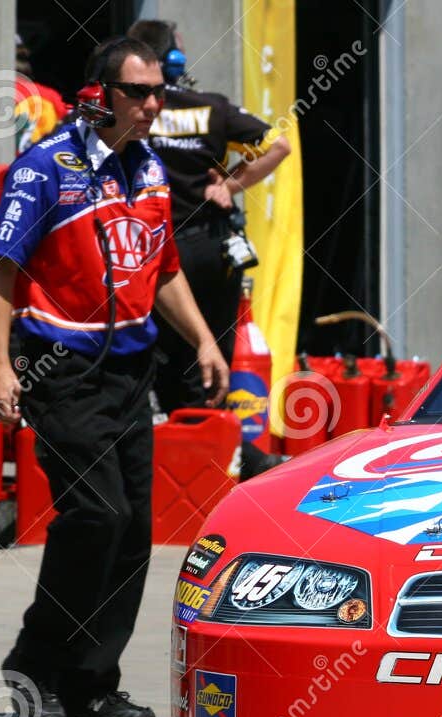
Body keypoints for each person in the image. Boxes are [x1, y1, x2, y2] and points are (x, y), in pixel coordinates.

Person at [0, 37, 229, 717]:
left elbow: (167, 269)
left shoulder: (150, 168)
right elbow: (0, 270)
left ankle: (91, 682)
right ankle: (35, 669)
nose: (154, 105)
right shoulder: (46, 169)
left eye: (159, 93)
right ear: (98, 94)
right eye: (139, 93)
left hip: (131, 367)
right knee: (97, 514)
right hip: (60, 366)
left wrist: (205, 340)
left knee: (132, 534)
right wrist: (1, 366)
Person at [128, 18, 290, 480]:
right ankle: (222, 459)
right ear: (174, 61)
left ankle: (198, 458)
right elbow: (277, 145)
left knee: (156, 359)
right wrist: (233, 184)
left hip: (153, 250)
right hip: (208, 248)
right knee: (209, 357)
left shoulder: (133, 111)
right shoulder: (211, 107)